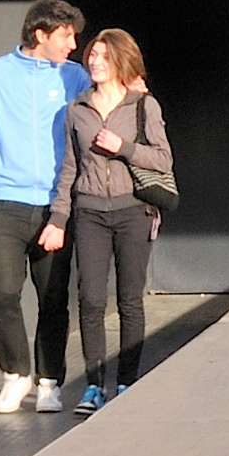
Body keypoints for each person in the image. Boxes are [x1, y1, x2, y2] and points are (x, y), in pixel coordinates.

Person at [0, 0, 87, 413]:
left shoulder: (75, 77)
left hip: (56, 205)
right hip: (7, 203)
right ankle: (15, 375)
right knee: (2, 290)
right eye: (66, 35)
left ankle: (50, 382)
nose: (73, 43)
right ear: (40, 34)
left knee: (52, 298)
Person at [41, 26, 175, 414]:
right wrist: (58, 218)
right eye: (92, 56)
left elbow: (163, 159)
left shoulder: (142, 106)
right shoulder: (76, 110)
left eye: (104, 56)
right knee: (91, 300)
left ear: (121, 61)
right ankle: (93, 387)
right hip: (90, 213)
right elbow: (69, 169)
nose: (95, 62)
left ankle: (127, 382)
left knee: (130, 301)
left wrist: (124, 148)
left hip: (133, 211)